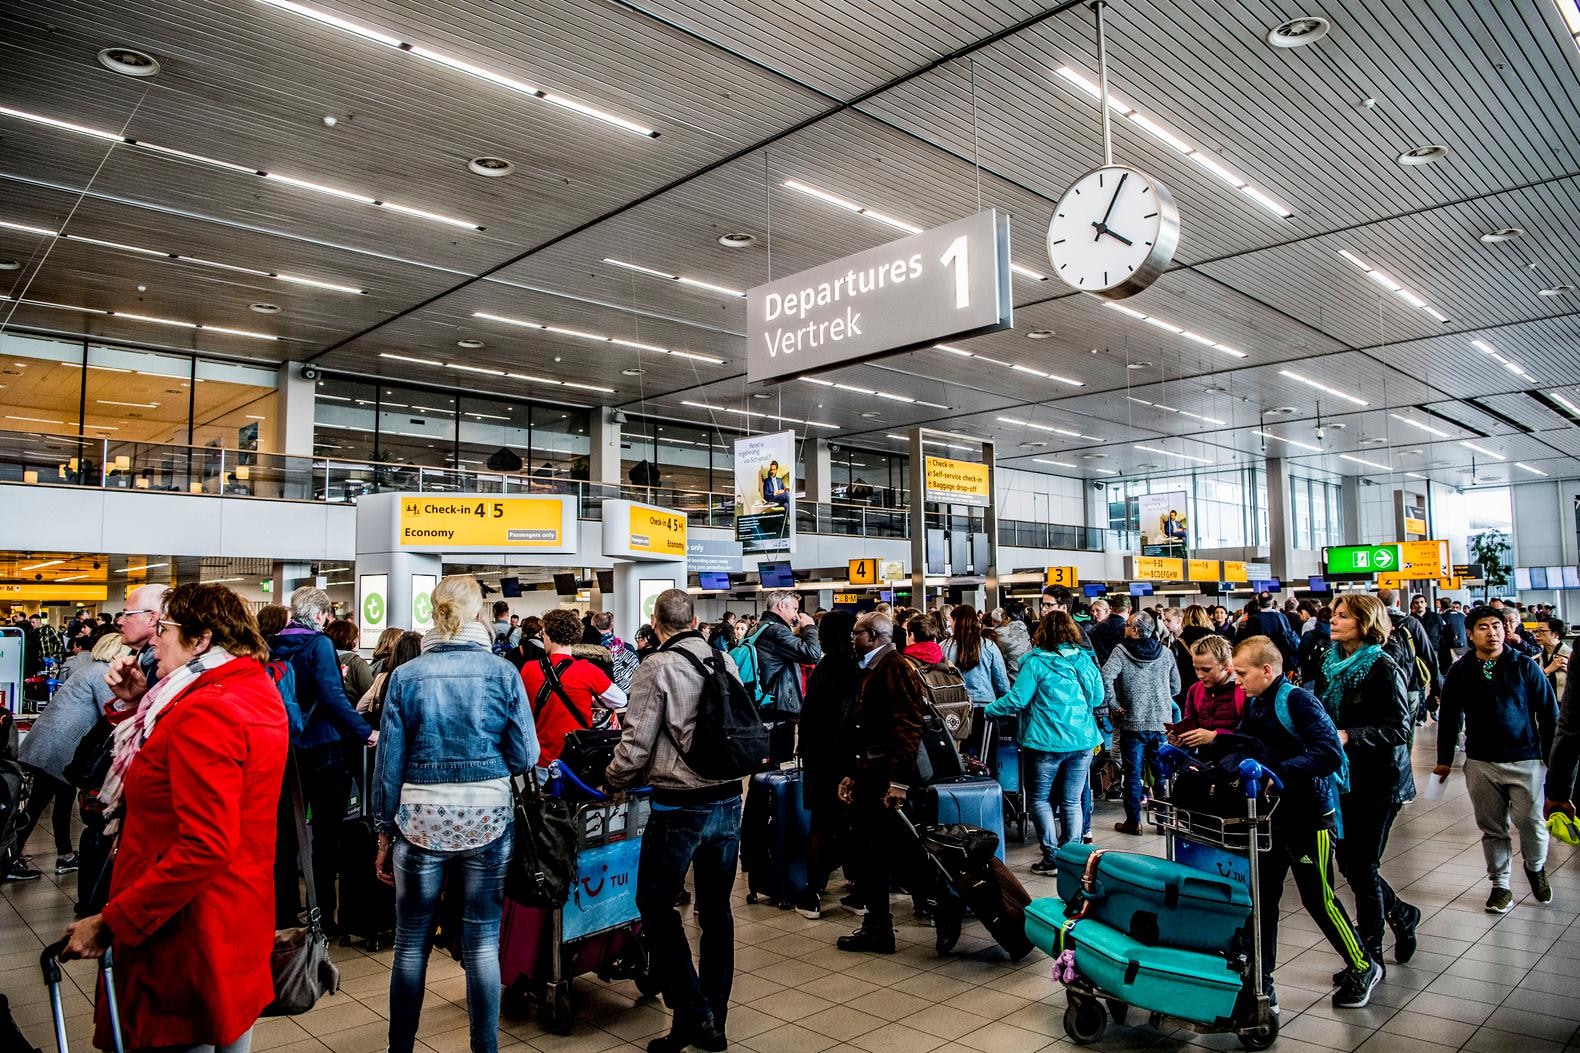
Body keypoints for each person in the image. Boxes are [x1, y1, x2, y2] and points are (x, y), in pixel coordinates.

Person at [59, 583, 289, 1052]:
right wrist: (135, 702)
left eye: (164, 628)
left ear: (200, 639)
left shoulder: (205, 710)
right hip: (234, 914)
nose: (154, 639)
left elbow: (205, 844)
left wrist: (114, 920)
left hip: (186, 929)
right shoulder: (248, 689)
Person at [373, 574, 538, 1053]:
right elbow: (526, 755)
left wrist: (383, 832)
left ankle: (400, 1047)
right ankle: (485, 1047)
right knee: (482, 942)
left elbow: (388, 765)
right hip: (488, 816)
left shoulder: (406, 676)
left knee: (410, 943)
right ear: (478, 614)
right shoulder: (502, 673)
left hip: (419, 820)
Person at [1204, 637, 1378, 1010]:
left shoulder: (1298, 701)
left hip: (1309, 817)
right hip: (1271, 817)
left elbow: (1329, 753)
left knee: (1319, 898)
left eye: (1243, 673)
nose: (1237, 680)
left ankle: (1364, 965)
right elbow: (1251, 744)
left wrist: (1280, 771)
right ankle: (1261, 982)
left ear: (1267, 670)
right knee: (1263, 900)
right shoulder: (1256, 702)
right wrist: (1214, 747)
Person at [605, 589, 745, 1053]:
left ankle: (693, 1013)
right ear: (694, 619)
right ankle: (715, 1021)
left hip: (679, 805)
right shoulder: (723, 659)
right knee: (716, 910)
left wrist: (612, 779)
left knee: (654, 903)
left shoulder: (656, 666)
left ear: (656, 621)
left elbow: (636, 744)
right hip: (728, 799)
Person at [1317, 594, 1420, 967]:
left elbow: (1399, 729)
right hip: (1344, 776)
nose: (1333, 620)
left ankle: (1369, 953)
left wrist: (1350, 735)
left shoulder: (1383, 666)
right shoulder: (1331, 663)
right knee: (1349, 863)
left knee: (1362, 866)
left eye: (1343, 616)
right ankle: (1402, 913)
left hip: (1381, 780)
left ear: (1365, 623)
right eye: (1333, 614)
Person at [1436, 606, 1558, 913]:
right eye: (1483, 627)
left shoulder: (1524, 666)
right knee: (1493, 828)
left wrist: (1553, 758)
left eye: (1496, 626)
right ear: (1470, 634)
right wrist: (1444, 759)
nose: (1492, 632)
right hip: (1481, 762)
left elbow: (1549, 713)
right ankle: (1500, 885)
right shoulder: (1461, 671)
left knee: (1531, 823)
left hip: (1525, 758)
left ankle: (1535, 867)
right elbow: (1449, 716)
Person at [268, 586, 377, 930]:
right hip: (324, 750)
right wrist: (365, 731)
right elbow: (333, 696)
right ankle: (323, 915)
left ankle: (284, 913)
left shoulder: (271, 644)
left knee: (286, 835)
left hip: (285, 749)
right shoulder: (320, 644)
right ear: (319, 615)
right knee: (326, 837)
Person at [836, 611, 927, 954]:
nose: (852, 639)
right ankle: (877, 926)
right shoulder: (874, 667)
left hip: (884, 775)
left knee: (883, 851)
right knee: (870, 851)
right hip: (870, 771)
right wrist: (852, 772)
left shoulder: (894, 668)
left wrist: (898, 782)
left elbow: (908, 727)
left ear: (873, 636)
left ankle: (883, 926)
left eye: (857, 634)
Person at [984, 611, 1102, 874]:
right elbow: (1097, 698)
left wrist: (989, 709)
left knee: (1039, 799)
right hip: (1082, 740)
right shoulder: (1084, 660)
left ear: (1042, 632)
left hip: (1044, 741)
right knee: (1071, 801)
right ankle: (1071, 859)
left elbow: (1017, 700)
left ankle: (1051, 858)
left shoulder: (1035, 663)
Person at [11, 633, 130, 881]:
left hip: (48, 742)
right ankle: (16, 857)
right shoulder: (103, 674)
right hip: (60, 747)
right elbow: (113, 714)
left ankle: (54, 854)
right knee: (48, 801)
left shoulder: (88, 669)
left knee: (48, 801)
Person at [794, 610, 860, 919]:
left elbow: (810, 718)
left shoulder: (825, 670)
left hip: (823, 759)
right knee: (854, 824)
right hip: (853, 759)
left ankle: (813, 894)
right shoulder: (859, 668)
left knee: (821, 825)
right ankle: (859, 892)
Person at [1102, 611, 1180, 835]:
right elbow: (1176, 686)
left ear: (1135, 631)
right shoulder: (1165, 652)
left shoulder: (1120, 651)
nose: (1124, 628)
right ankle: (1163, 821)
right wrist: (1161, 698)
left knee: (1133, 774)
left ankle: (1133, 821)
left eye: (1127, 625)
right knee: (1161, 774)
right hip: (1161, 724)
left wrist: (1114, 703)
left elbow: (1105, 677)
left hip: (1132, 723)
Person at [521, 608, 627, 766]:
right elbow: (621, 700)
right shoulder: (588, 670)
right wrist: (593, 701)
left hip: (539, 758)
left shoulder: (528, 669)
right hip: (576, 756)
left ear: (548, 635)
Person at [1174, 635, 1244, 738]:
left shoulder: (1243, 690)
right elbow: (1190, 726)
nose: (1200, 675)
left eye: (1206, 670)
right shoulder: (1195, 690)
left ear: (1225, 665)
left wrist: (1215, 736)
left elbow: (1249, 734)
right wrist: (1181, 737)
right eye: (1196, 669)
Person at [943, 605, 1009, 706]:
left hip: (954, 704)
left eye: (951, 621)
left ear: (956, 622)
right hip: (984, 703)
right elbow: (1001, 681)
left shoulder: (944, 646)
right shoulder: (989, 646)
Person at [359, 630, 422, 719]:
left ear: (396, 652)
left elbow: (360, 708)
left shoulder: (383, 678)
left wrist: (378, 707)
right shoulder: (427, 681)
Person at [1237, 591, 1300, 668]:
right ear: (1272, 603)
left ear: (1258, 602)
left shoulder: (1253, 619)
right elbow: (1288, 638)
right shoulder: (1281, 617)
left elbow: (1248, 641)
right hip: (1280, 657)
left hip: (1260, 658)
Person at [326, 617, 374, 707]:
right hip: (350, 711)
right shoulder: (357, 663)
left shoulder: (319, 658)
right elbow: (369, 694)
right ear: (350, 639)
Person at [591, 610, 640, 693]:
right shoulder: (627, 647)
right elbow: (637, 672)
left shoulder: (590, 651)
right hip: (628, 693)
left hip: (602, 694)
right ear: (612, 626)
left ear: (592, 627)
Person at [993, 603, 1032, 683]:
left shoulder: (999, 633)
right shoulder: (1027, 632)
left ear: (1007, 619)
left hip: (1012, 680)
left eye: (1002, 618)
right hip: (1029, 679)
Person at [1297, 605, 1334, 686]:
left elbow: (1300, 654)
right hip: (1330, 677)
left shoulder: (1309, 634)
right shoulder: (1336, 637)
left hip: (1310, 676)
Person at [1536, 619, 1571, 701]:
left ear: (1555, 634)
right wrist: (1548, 670)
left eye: (1542, 631)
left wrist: (1571, 671)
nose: (1536, 634)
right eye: (1536, 631)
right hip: (1543, 704)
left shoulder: (1572, 657)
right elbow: (1531, 684)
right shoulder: (1535, 659)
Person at [1088, 597, 1129, 666]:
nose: (1094, 614)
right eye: (1092, 611)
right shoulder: (1092, 627)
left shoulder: (1095, 628)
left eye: (1098, 610)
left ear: (1108, 611)